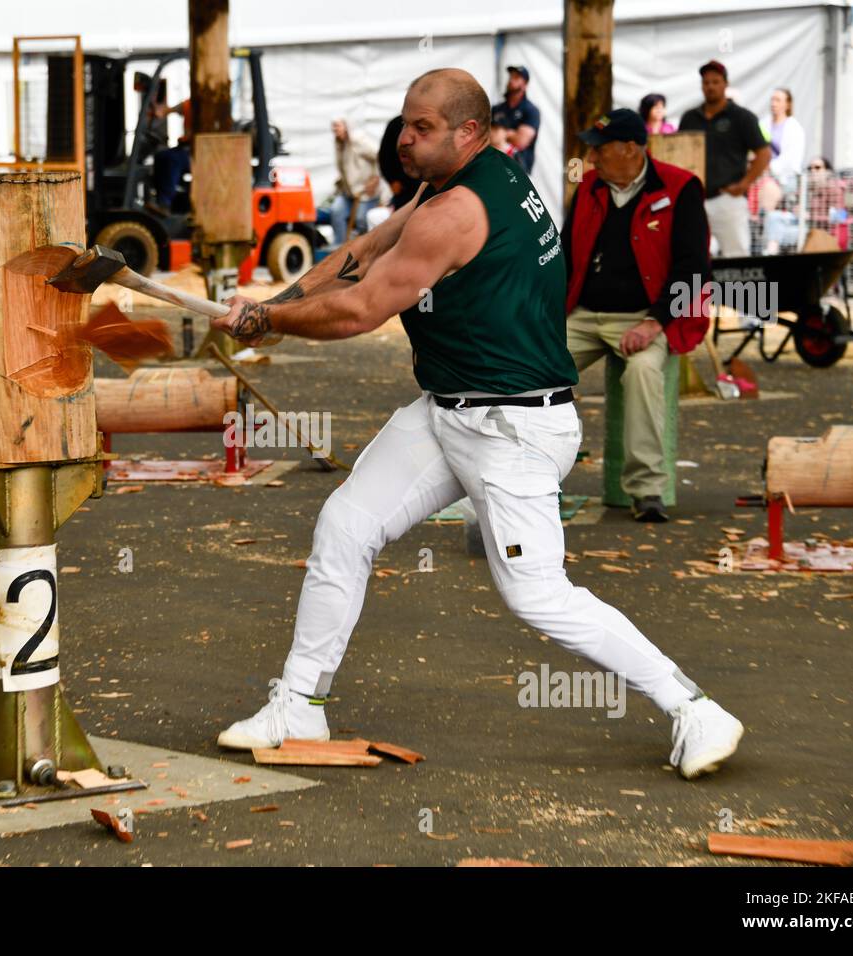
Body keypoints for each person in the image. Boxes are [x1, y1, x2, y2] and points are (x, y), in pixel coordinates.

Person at [209, 68, 744, 780]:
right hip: (451, 407)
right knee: (345, 526)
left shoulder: (454, 214)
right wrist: (271, 306)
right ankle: (300, 704)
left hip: (512, 429)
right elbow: (361, 253)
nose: (404, 138)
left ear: (469, 131)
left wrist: (267, 317)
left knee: (538, 595)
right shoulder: (457, 180)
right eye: (404, 123)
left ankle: (694, 708)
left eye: (421, 128)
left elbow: (360, 308)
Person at [563, 109, 711, 522]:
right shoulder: (589, 187)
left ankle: (647, 490)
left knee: (644, 372)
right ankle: (531, 478)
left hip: (647, 316)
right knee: (532, 366)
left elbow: (694, 269)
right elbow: (561, 256)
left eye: (599, 149)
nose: (591, 158)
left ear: (630, 148)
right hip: (584, 315)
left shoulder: (680, 188)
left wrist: (655, 322)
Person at [678, 60, 770, 257]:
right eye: (706, 82)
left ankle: (735, 290)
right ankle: (697, 290)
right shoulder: (689, 118)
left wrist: (744, 184)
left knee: (736, 255)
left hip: (728, 198)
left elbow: (764, 153)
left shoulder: (742, 117)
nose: (710, 86)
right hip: (695, 200)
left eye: (715, 81)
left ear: (725, 84)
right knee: (692, 256)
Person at [763, 156, 847, 254]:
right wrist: (794, 208)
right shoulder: (806, 188)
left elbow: (840, 217)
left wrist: (808, 216)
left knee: (778, 232)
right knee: (773, 216)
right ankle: (771, 251)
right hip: (802, 226)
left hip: (821, 232)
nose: (813, 171)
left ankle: (771, 252)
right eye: (810, 168)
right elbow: (784, 205)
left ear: (827, 171)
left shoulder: (834, 189)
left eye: (817, 167)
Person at [329, 118, 383, 246]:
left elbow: (379, 156)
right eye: (333, 127)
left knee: (361, 220)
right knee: (336, 211)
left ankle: (363, 248)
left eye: (338, 126)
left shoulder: (358, 141)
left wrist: (376, 178)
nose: (335, 130)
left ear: (346, 126)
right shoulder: (339, 144)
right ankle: (340, 247)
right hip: (348, 193)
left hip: (365, 192)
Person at [757, 88, 805, 213]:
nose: (773, 103)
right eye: (772, 99)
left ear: (787, 104)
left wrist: (769, 167)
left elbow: (791, 158)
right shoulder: (763, 123)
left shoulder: (795, 128)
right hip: (761, 174)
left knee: (768, 193)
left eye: (778, 100)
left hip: (784, 179)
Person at [490, 65, 540, 173]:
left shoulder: (531, 110)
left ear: (525, 85)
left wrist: (502, 133)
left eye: (517, 77)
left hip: (519, 168)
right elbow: (488, 136)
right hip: (494, 165)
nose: (511, 80)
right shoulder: (497, 108)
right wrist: (512, 134)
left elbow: (521, 141)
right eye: (511, 77)